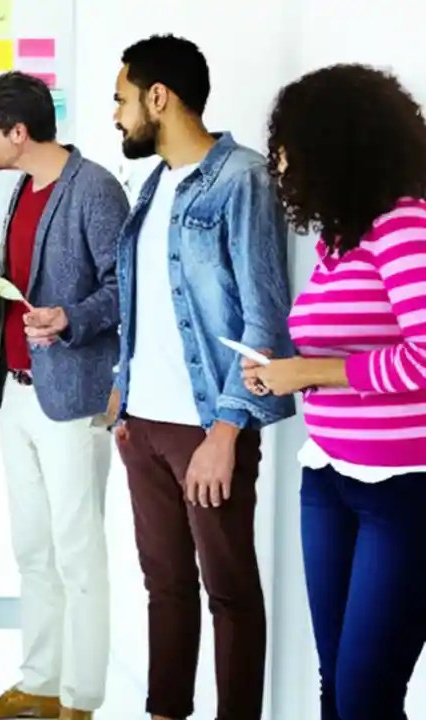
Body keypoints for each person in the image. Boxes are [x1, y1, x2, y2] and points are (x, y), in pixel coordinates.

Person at [110, 35, 295, 720]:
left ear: (159, 97)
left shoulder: (242, 178)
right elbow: (144, 305)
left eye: (122, 99)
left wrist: (226, 431)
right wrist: (123, 400)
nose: (117, 115)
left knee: (229, 591)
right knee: (165, 586)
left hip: (207, 423)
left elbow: (264, 315)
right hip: (146, 425)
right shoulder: (152, 185)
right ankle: (166, 712)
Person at [242, 63, 426, 720]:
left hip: (404, 490)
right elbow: (349, 347)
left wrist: (310, 373)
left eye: (289, 144)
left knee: (365, 698)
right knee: (336, 687)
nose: (281, 161)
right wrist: (280, 366)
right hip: (329, 475)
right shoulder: (337, 242)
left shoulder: (405, 226)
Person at [0, 71, 129, 720]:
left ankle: (80, 700)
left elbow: (124, 289)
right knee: (33, 548)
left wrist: (70, 318)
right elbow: (35, 275)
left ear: (19, 133)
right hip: (19, 393)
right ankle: (39, 682)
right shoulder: (21, 189)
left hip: (73, 397)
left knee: (78, 551)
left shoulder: (94, 190)